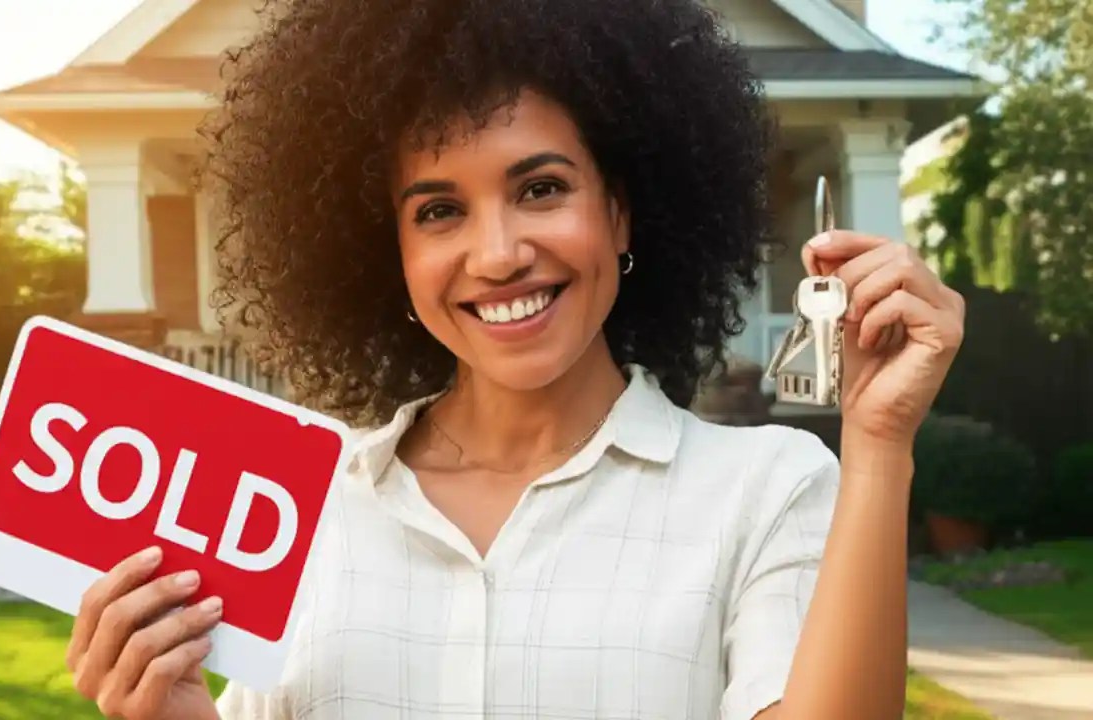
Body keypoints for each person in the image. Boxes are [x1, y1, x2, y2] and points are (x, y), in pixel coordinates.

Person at [63, 0, 965, 718]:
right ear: (392, 255)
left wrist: (880, 446)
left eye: (541, 189)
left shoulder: (767, 489)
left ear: (621, 210)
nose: (496, 254)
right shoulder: (306, 506)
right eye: (438, 210)